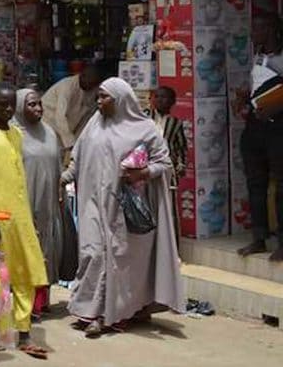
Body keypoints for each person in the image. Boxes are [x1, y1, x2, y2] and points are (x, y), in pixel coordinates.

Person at [61, 77, 184, 337]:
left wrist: (142, 173)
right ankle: (90, 309)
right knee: (93, 253)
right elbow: (77, 158)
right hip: (93, 204)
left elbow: (164, 163)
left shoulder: (145, 129)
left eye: (104, 97)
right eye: (98, 96)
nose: (99, 102)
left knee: (120, 262)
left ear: (121, 100)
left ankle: (108, 314)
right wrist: (62, 179)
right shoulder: (94, 124)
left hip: (124, 210)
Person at [0, 83, 49, 359]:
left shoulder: (16, 134)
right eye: (2, 104)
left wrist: (27, 216)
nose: (8, 109)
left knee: (25, 273)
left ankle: (24, 333)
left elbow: (19, 179)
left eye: (11, 104)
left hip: (19, 217)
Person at [12, 88, 65, 316]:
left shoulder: (49, 133)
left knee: (47, 249)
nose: (38, 109)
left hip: (48, 203)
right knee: (27, 252)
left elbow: (57, 165)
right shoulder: (13, 134)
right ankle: (27, 304)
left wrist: (60, 193)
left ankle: (43, 301)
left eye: (39, 104)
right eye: (31, 104)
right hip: (23, 202)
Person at [239, 15, 283, 260]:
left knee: (281, 185)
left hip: (278, 127)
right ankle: (259, 238)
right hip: (255, 126)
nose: (253, 33)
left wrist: (273, 105)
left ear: (271, 30)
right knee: (255, 183)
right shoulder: (257, 57)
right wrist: (245, 97)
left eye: (257, 28)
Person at [147, 86, 188, 248]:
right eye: (157, 97)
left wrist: (181, 166)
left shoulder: (175, 123)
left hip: (167, 170)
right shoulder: (144, 118)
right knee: (147, 207)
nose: (159, 100)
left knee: (169, 209)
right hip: (145, 168)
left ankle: (172, 248)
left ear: (172, 102)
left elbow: (181, 147)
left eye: (164, 97)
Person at [41, 63, 102, 151]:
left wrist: (77, 142)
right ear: (82, 76)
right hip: (49, 125)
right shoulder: (67, 86)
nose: (90, 86)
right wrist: (70, 143)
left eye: (93, 84)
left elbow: (86, 118)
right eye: (89, 83)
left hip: (67, 129)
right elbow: (60, 117)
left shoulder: (92, 89)